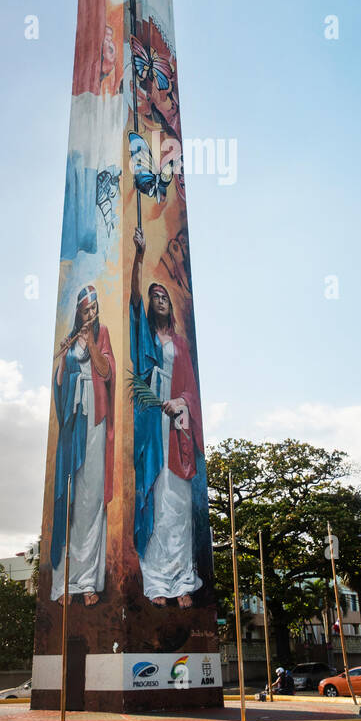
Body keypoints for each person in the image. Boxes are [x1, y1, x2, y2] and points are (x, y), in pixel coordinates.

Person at [130, 226, 203, 607]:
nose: (159, 298)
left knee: (179, 504)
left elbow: (191, 388)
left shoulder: (179, 345)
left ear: (170, 307)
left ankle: (182, 581)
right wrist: (139, 258)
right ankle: (157, 582)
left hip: (176, 429)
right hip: (151, 427)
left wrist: (183, 404)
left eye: (163, 296)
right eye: (153, 295)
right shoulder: (145, 338)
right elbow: (130, 301)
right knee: (156, 501)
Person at [50, 285, 115, 606]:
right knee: (71, 500)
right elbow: (60, 385)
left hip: (96, 421)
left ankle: (88, 581)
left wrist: (90, 343)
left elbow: (106, 373)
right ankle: (66, 580)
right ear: (78, 313)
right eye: (85, 312)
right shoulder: (73, 339)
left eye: (94, 310)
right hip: (74, 422)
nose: (90, 316)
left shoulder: (101, 334)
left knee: (90, 500)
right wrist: (64, 360)